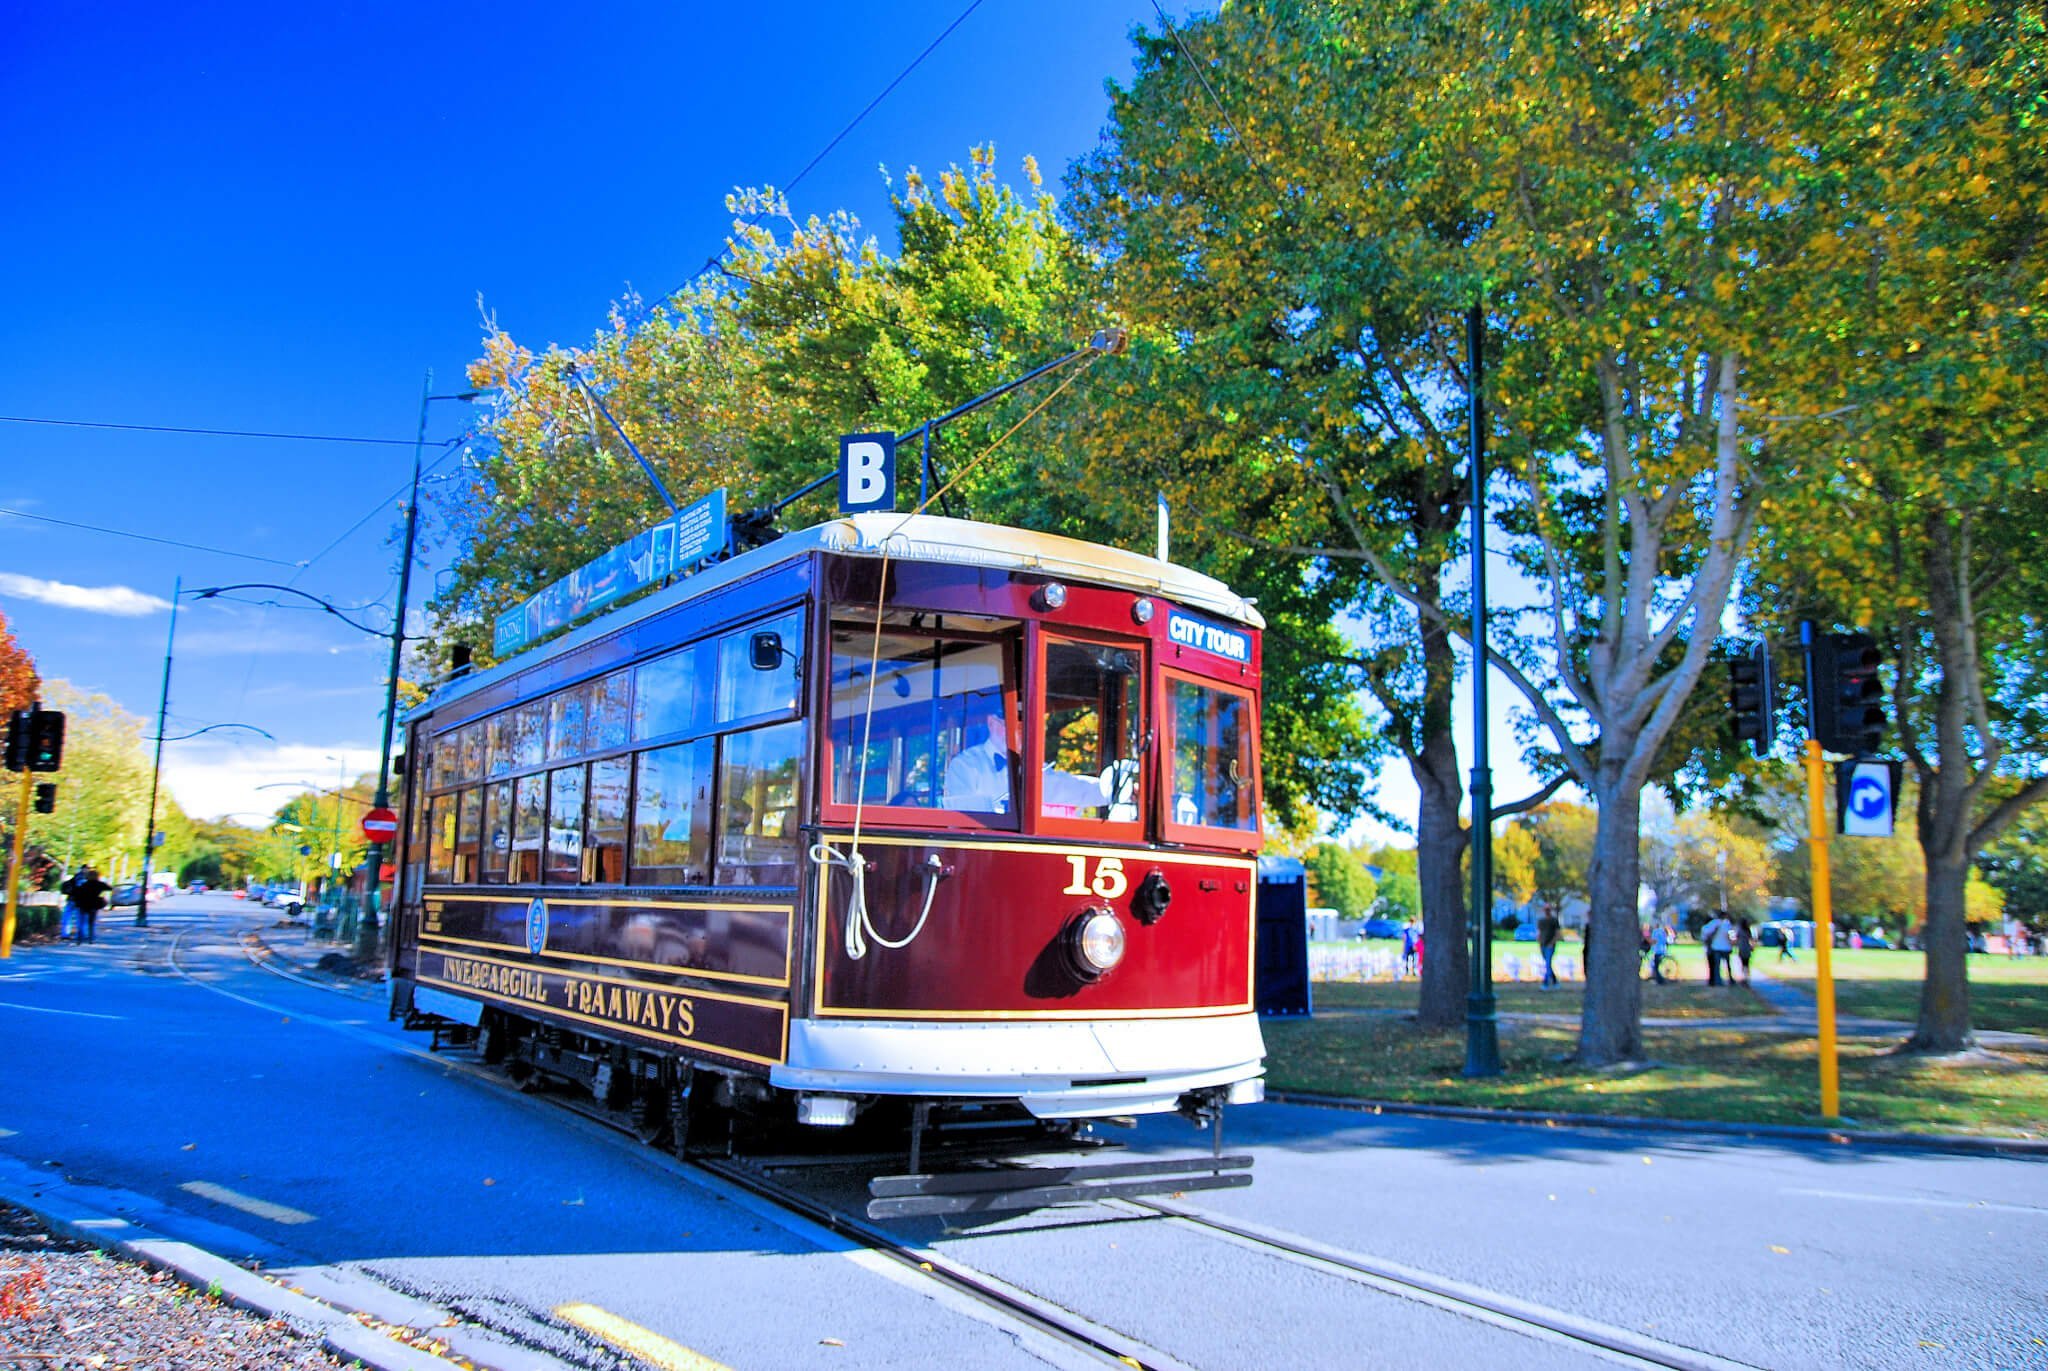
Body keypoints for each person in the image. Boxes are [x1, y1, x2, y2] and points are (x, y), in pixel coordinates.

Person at [942, 706, 1015, 813]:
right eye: (1008, 725)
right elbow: (964, 818)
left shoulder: (1042, 770)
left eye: (1021, 726)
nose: (1015, 732)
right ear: (991, 723)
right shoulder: (964, 765)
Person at [67, 866, 110, 945]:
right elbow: (109, 887)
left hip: (83, 904)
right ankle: (91, 938)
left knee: (81, 922)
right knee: (91, 922)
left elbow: (76, 892)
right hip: (94, 904)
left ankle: (79, 939)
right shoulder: (99, 884)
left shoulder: (84, 884)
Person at [1699, 912, 1734, 986]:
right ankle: (1730, 979)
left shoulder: (1713, 923)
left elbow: (1705, 931)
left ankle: (1718, 981)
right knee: (1728, 965)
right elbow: (1731, 935)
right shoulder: (1727, 924)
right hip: (1726, 947)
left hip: (1716, 947)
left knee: (1717, 966)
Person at [1537, 905, 1561, 988]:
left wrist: (1552, 943)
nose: (1547, 911)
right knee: (1548, 964)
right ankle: (1554, 981)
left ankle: (1545, 982)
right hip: (1543, 945)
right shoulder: (1541, 921)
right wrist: (1539, 942)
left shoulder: (1554, 920)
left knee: (1547, 964)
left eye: (1548, 910)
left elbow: (1557, 933)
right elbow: (1539, 933)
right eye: (1545, 910)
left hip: (1550, 945)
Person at [1734, 916, 1755, 985]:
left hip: (1742, 948)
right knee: (1747, 964)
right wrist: (1752, 947)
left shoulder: (1739, 931)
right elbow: (1752, 940)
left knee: (1742, 964)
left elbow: (1736, 939)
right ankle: (1747, 977)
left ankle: (1744, 978)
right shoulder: (1748, 930)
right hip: (1747, 948)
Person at [1649, 919, 1671, 984]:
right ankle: (1659, 979)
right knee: (1657, 965)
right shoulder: (1662, 931)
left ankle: (1660, 980)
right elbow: (1665, 940)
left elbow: (1653, 941)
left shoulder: (1655, 931)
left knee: (1656, 967)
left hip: (1657, 950)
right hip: (1663, 950)